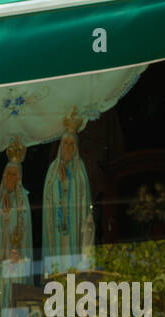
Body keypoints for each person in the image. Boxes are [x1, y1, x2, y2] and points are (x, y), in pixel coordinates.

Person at [0, 139, 33, 311]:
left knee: (12, 283)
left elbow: (24, 228)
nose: (10, 178)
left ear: (19, 177)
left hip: (14, 251)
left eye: (14, 175)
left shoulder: (22, 199)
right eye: (8, 174)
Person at [42, 112, 93, 276]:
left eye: (72, 144)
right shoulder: (53, 169)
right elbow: (48, 197)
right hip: (57, 228)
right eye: (66, 143)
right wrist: (60, 182)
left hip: (74, 225)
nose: (68, 148)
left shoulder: (80, 168)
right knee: (58, 262)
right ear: (61, 146)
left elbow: (84, 199)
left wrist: (68, 181)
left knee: (72, 264)